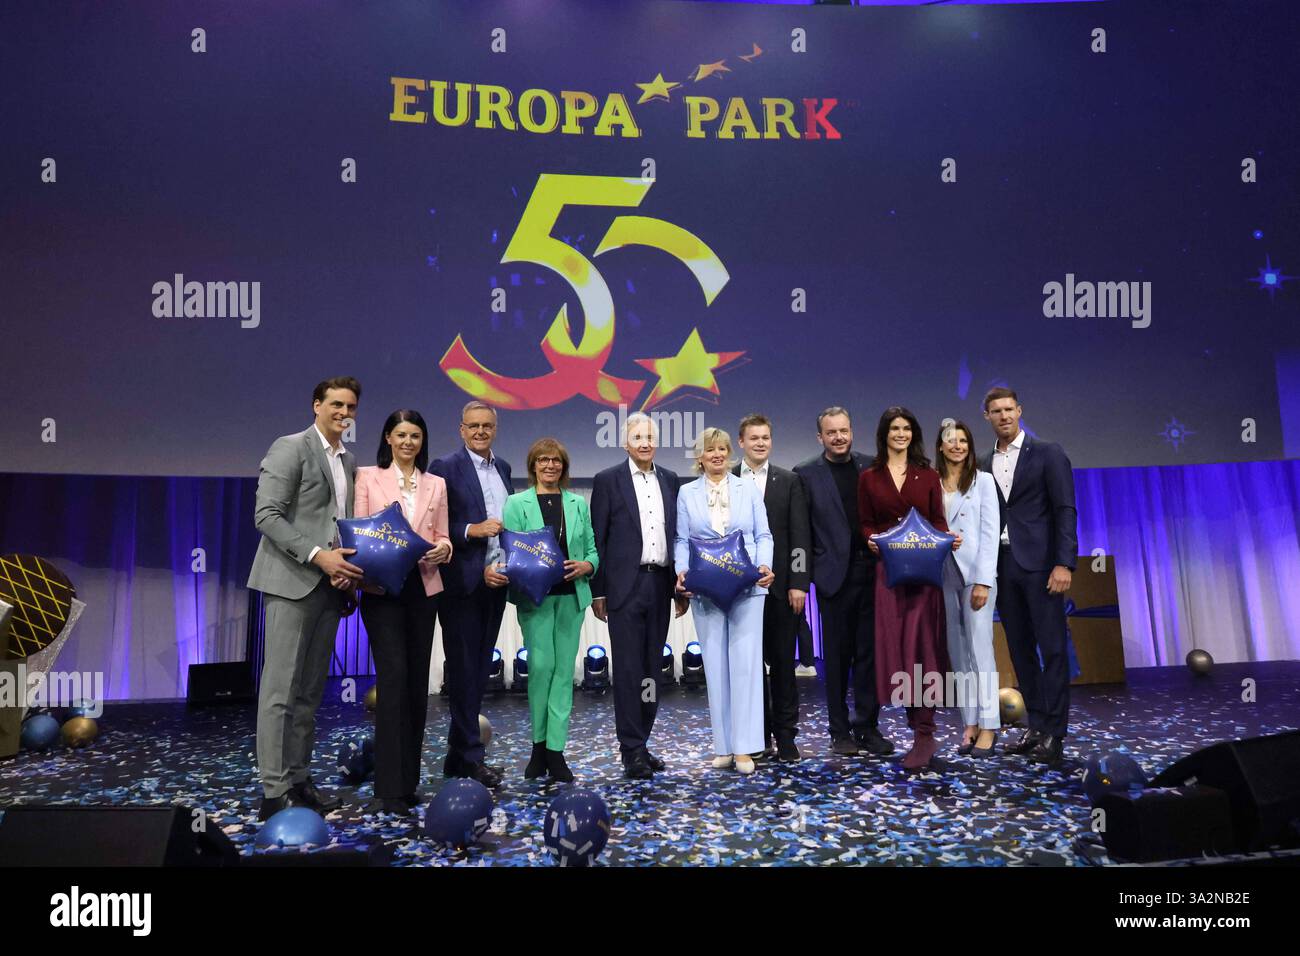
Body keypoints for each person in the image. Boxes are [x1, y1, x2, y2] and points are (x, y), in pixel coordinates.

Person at [248, 376, 364, 821]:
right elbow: (266, 515)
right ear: (316, 405)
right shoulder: (291, 446)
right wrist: (320, 556)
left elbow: (340, 522)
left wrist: (345, 573)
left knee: (310, 693)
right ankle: (273, 791)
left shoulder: (347, 459)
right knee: (279, 690)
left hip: (329, 588)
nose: (344, 413)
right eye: (335, 404)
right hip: (290, 581)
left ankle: (298, 778)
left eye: (350, 406)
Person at [352, 410, 452, 814]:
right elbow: (358, 530)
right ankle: (387, 787)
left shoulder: (437, 484)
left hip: (423, 588)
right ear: (388, 439)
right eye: (401, 435)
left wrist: (445, 548)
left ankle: (408, 781)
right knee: (392, 681)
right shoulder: (367, 477)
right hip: (382, 589)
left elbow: (443, 535)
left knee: (414, 684)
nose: (408, 442)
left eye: (415, 435)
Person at [978, 387, 1077, 767]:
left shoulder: (1048, 453)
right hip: (1003, 567)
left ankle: (1056, 732)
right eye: (995, 411)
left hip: (1042, 567)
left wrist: (1063, 563)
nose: (1003, 416)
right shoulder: (984, 461)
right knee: (1020, 650)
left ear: (1019, 411)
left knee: (1052, 649)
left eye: (1008, 409)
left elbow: (1065, 509)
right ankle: (1036, 725)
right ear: (986, 416)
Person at [858, 406, 959, 771]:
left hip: (923, 578)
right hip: (889, 576)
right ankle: (913, 725)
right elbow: (866, 524)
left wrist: (948, 538)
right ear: (884, 433)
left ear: (913, 433)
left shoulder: (928, 475)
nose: (900, 434)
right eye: (894, 428)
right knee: (898, 654)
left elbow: (937, 521)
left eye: (906, 428)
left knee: (923, 650)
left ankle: (925, 733)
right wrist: (871, 540)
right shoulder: (869, 477)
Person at [590, 412, 686, 780]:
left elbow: (676, 535)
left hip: (659, 586)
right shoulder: (608, 481)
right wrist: (599, 592)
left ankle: (643, 742)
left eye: (650, 436)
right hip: (624, 589)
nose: (645, 442)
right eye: (638, 437)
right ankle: (630, 748)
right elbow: (599, 539)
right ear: (625, 442)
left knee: (651, 672)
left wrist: (679, 587)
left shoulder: (670, 480)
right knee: (629, 672)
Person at [793, 408, 894, 757]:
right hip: (834, 577)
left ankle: (867, 726)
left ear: (853, 432)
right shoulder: (805, 474)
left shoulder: (871, 466)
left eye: (844, 431)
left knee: (869, 656)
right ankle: (839, 731)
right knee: (836, 659)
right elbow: (801, 534)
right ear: (820, 437)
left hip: (875, 573)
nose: (839, 437)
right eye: (831, 432)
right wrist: (803, 580)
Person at [497, 437, 598, 783]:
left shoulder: (577, 503)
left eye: (556, 460)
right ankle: (537, 747)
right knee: (541, 668)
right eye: (543, 460)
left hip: (571, 598)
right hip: (535, 599)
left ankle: (556, 751)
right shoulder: (516, 503)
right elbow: (509, 551)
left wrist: (587, 565)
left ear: (564, 466)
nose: (550, 466)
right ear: (533, 465)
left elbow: (593, 551)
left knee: (563, 673)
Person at [675, 428, 774, 774]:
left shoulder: (747, 489)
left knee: (746, 667)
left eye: (722, 449)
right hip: (706, 590)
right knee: (715, 667)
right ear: (699, 457)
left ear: (730, 453)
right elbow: (681, 540)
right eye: (709, 450)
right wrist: (682, 573)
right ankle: (724, 746)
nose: (716, 455)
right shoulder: (686, 493)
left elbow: (763, 534)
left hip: (748, 587)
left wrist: (765, 565)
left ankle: (746, 749)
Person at [429, 400, 513, 788]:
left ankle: (457, 758)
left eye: (487, 426)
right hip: (461, 585)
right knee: (463, 673)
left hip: (496, 585)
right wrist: (470, 531)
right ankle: (469, 758)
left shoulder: (505, 469)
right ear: (461, 430)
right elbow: (435, 522)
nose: (480, 432)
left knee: (478, 673)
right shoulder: (444, 468)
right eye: (473, 426)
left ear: (495, 429)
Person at [734, 413, 811, 762]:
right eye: (754, 438)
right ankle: (755, 737)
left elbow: (799, 537)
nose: (761, 443)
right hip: (736, 591)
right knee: (749, 668)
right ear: (741, 442)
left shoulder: (789, 480)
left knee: (782, 665)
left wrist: (798, 583)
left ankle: (786, 736)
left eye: (766, 437)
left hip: (781, 591)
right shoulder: (726, 478)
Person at [935, 419, 1001, 757]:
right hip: (945, 573)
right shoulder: (933, 483)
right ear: (941, 446)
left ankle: (990, 725)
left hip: (976, 575)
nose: (957, 445)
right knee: (958, 654)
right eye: (951, 440)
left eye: (963, 440)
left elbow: (990, 535)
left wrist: (985, 581)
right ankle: (970, 723)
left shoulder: (984, 481)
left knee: (980, 650)